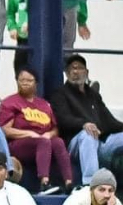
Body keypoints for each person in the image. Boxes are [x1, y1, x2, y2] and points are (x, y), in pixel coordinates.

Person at [0, 67, 74, 195]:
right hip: (18, 144)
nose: (25, 83)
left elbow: (55, 128)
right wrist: (29, 134)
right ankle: (44, 183)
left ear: (36, 83)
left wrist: (49, 134)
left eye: (29, 80)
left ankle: (69, 183)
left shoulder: (44, 104)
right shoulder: (10, 102)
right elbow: (5, 130)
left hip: (42, 142)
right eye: (21, 80)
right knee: (43, 142)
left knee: (58, 142)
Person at [50, 54, 123, 184]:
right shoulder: (60, 93)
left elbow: (110, 121)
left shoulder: (93, 94)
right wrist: (83, 124)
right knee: (88, 135)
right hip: (77, 144)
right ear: (67, 73)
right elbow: (63, 119)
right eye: (72, 69)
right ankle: (91, 184)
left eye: (79, 68)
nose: (75, 72)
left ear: (87, 72)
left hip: (101, 143)